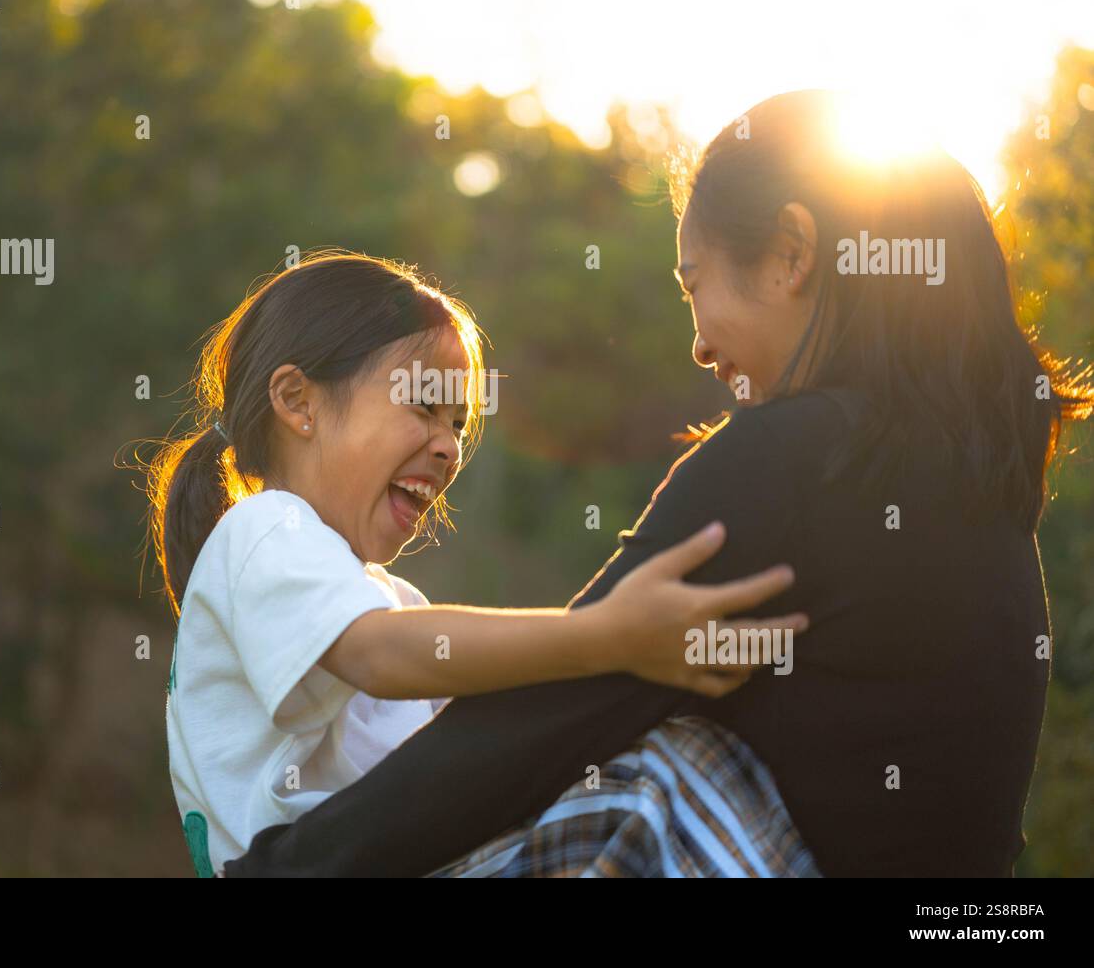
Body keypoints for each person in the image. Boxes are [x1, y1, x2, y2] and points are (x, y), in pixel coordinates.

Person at [221, 91, 1092, 878]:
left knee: (652, 773)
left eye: (693, 285)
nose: (700, 347)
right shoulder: (983, 486)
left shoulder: (793, 460)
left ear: (791, 253)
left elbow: (537, 728)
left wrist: (285, 870)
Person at [143, 253, 808, 876]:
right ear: (297, 402)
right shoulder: (263, 529)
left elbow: (487, 733)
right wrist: (611, 634)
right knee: (664, 779)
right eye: (424, 408)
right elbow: (382, 656)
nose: (446, 448)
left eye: (459, 425)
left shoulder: (387, 596)